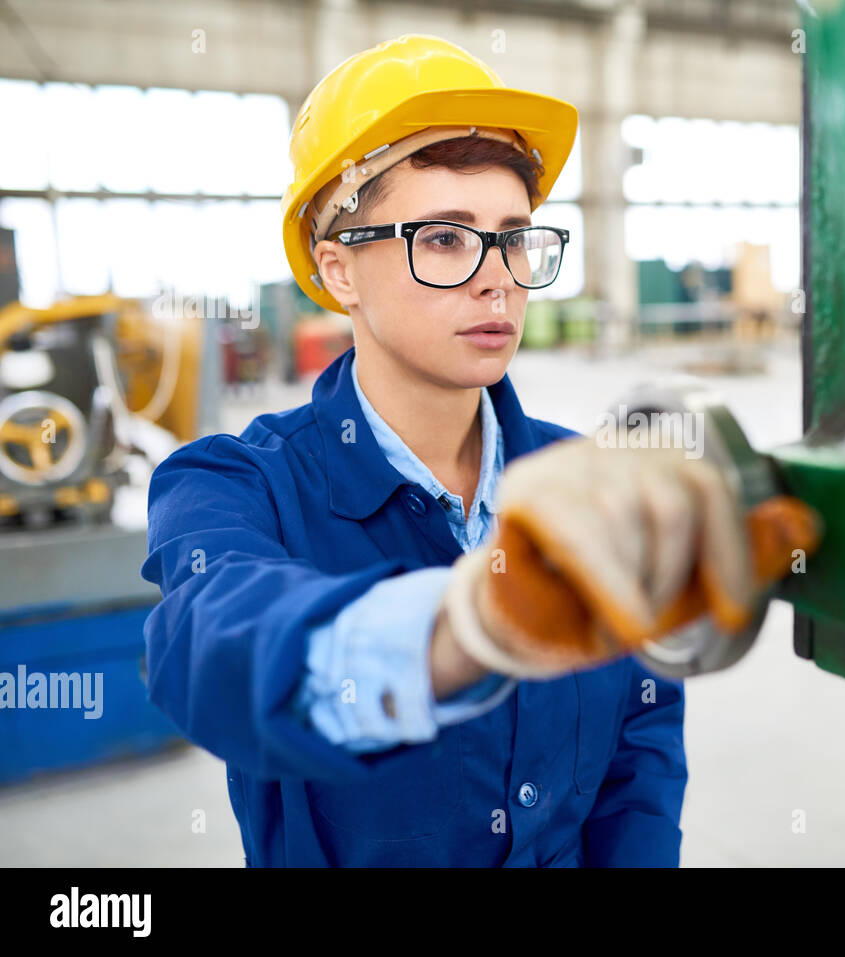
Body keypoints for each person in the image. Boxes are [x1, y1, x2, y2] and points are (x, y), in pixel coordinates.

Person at [138, 34, 758, 866]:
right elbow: (207, 650)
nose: (496, 275)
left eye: (513, 236)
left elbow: (640, 766)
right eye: (444, 239)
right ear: (339, 270)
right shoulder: (236, 483)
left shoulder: (584, 489)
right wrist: (466, 628)